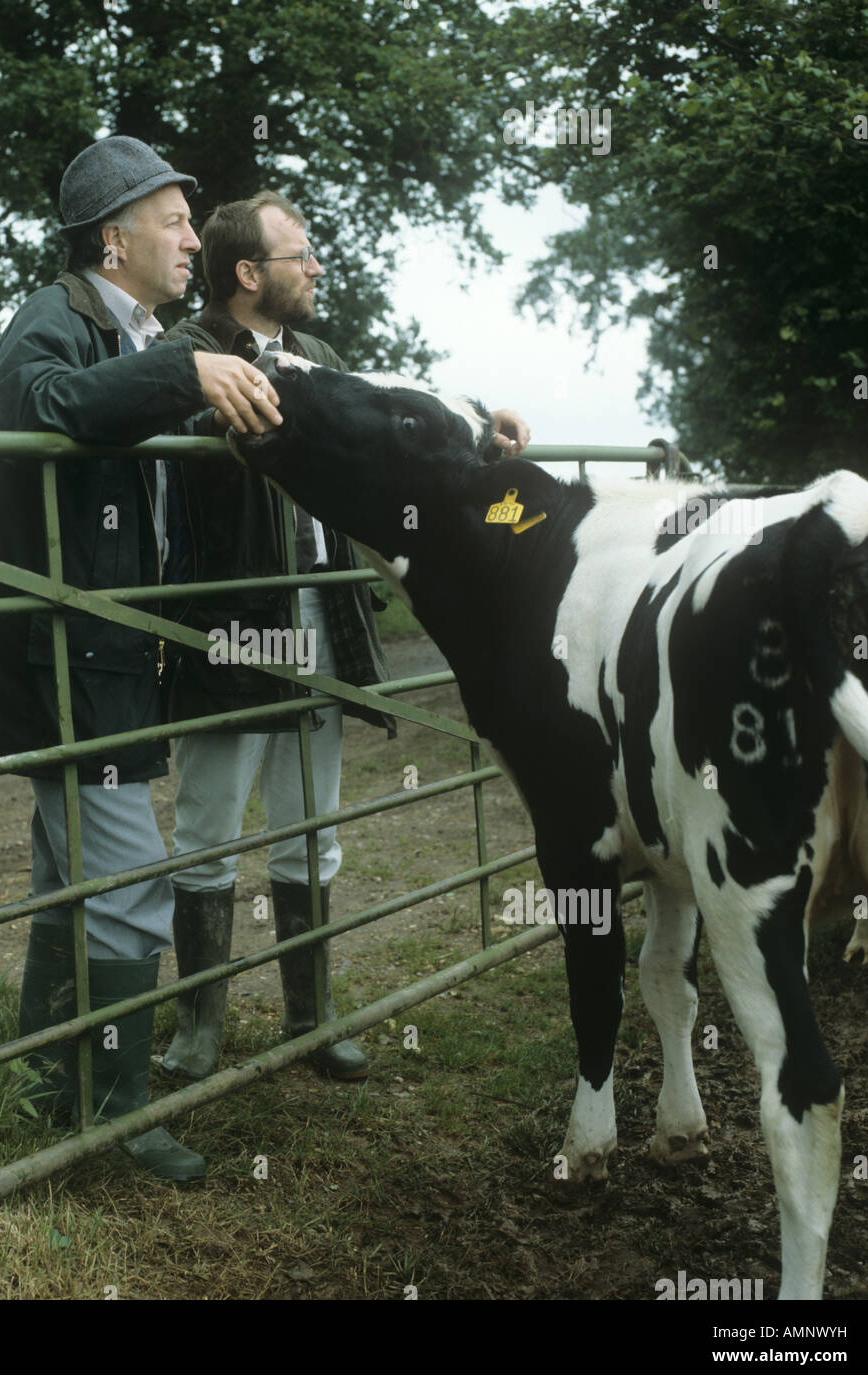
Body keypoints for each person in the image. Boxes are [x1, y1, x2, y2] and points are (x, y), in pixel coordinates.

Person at [0, 138, 281, 1182]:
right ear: (112, 235)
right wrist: (182, 371)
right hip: (63, 662)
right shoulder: (55, 320)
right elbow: (43, 403)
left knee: (70, 876)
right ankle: (120, 1117)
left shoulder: (143, 331)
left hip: (110, 659)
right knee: (131, 884)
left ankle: (52, 1090)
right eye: (173, 219)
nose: (192, 235)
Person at [159, 192, 531, 1086]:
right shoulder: (185, 355)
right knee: (208, 827)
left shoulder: (319, 358)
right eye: (301, 256)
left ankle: (309, 1019)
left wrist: (484, 420)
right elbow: (159, 440)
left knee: (313, 826)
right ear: (248, 275)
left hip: (325, 626)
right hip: (237, 633)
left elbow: (384, 414)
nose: (318, 268)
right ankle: (195, 1032)